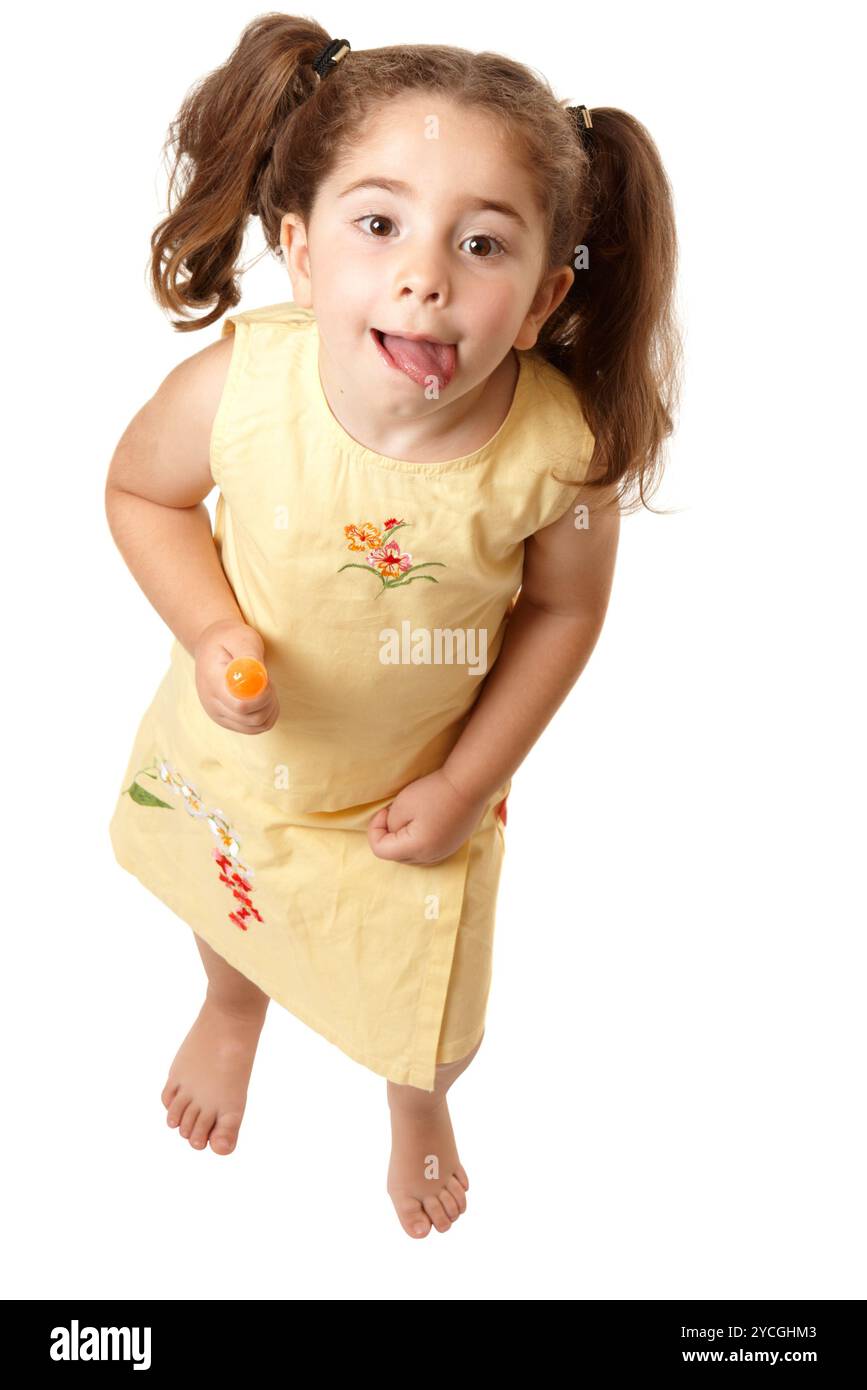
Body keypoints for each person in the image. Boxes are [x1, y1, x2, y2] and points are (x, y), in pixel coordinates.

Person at [106, 16, 681, 1240]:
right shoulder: (237, 388)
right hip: (248, 757)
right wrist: (212, 631)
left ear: (542, 299)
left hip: (420, 787)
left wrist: (473, 780)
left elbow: (566, 612)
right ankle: (233, 1006)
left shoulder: (555, 451)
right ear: (302, 252)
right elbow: (140, 494)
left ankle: (416, 1105)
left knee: (432, 995)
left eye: (482, 243)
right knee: (228, 903)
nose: (426, 274)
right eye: (381, 225)